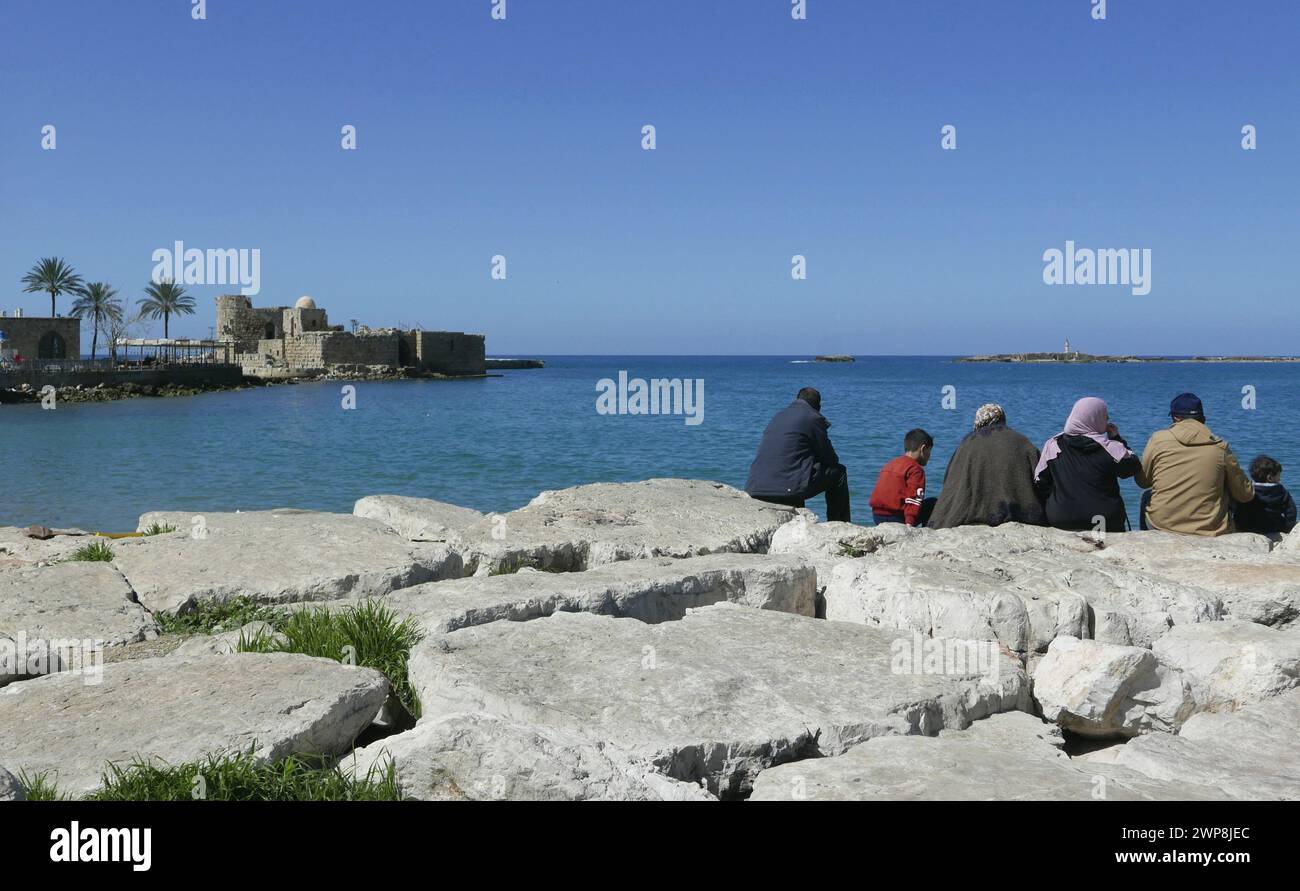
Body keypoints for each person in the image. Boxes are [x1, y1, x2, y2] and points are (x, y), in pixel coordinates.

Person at [1136, 393, 1254, 536]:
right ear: (1202, 419)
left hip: (1161, 525)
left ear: (1175, 417)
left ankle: (1147, 541)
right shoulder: (1220, 447)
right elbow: (1245, 494)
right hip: (1209, 529)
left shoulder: (1158, 439)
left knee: (1147, 496)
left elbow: (1143, 482)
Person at [928, 403, 1045, 529]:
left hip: (969, 515)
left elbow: (950, 484)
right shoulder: (1022, 441)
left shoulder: (967, 443)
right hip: (1023, 514)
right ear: (1003, 419)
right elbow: (1042, 479)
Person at [1033, 397, 1141, 532]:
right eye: (1104, 415)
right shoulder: (1111, 448)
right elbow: (1133, 467)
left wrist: (1059, 500)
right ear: (1095, 418)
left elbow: (1040, 481)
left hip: (1062, 518)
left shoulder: (1053, 445)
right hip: (1103, 521)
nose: (1107, 418)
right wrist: (1116, 437)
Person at [745, 387, 850, 521]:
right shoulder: (812, 418)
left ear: (797, 399)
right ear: (818, 406)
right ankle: (840, 524)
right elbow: (830, 459)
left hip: (755, 488)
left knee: (798, 468)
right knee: (839, 473)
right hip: (786, 490)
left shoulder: (779, 415)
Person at [869, 428, 936, 526]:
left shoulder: (890, 464)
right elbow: (914, 499)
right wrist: (909, 523)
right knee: (933, 503)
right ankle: (928, 535)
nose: (930, 456)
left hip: (877, 516)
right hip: (898, 518)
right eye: (929, 451)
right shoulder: (916, 469)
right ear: (923, 449)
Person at [1233, 455, 1296, 534]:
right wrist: (1288, 527)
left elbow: (1239, 508)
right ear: (1269, 478)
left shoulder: (1249, 490)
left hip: (1250, 527)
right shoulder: (1280, 490)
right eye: (1278, 476)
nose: (1280, 479)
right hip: (1274, 527)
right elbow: (1291, 510)